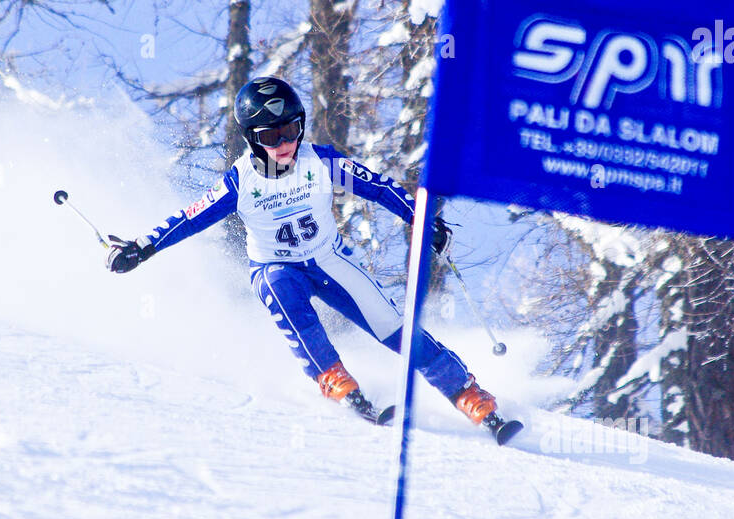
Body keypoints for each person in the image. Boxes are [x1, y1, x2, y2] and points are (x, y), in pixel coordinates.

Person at [104, 76, 506, 431]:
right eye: (270, 136)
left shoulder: (320, 161)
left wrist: (422, 220)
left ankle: (466, 392)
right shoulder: (239, 182)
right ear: (251, 139)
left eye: (291, 130)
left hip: (330, 258)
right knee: (282, 292)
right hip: (275, 266)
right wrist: (141, 248)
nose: (284, 144)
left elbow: (380, 188)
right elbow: (188, 219)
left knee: (393, 327)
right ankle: (333, 377)